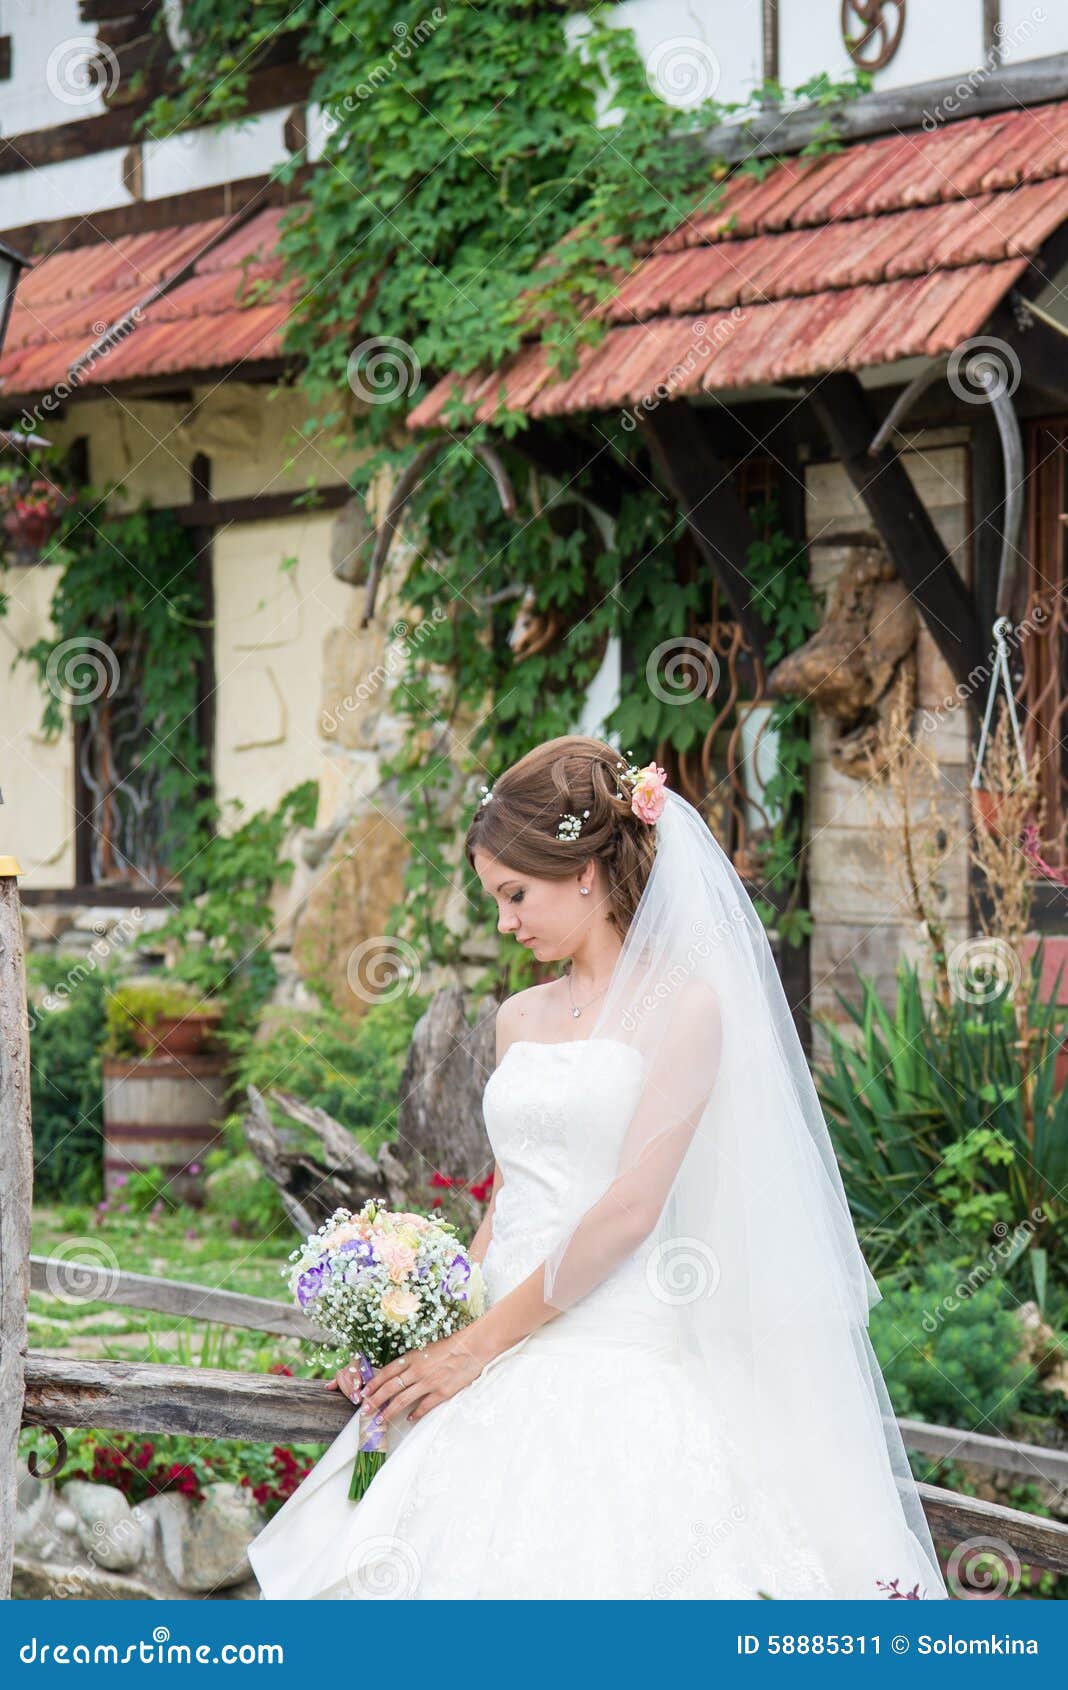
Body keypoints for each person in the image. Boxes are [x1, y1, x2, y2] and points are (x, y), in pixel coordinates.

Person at [248, 734, 949, 1600]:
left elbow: (628, 1210)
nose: (505, 922)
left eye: (515, 894)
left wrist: (473, 1349)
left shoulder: (684, 1008)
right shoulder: (518, 1017)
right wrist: (424, 1335)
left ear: (583, 869)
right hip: (495, 1339)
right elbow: (508, 1201)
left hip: (612, 1347)